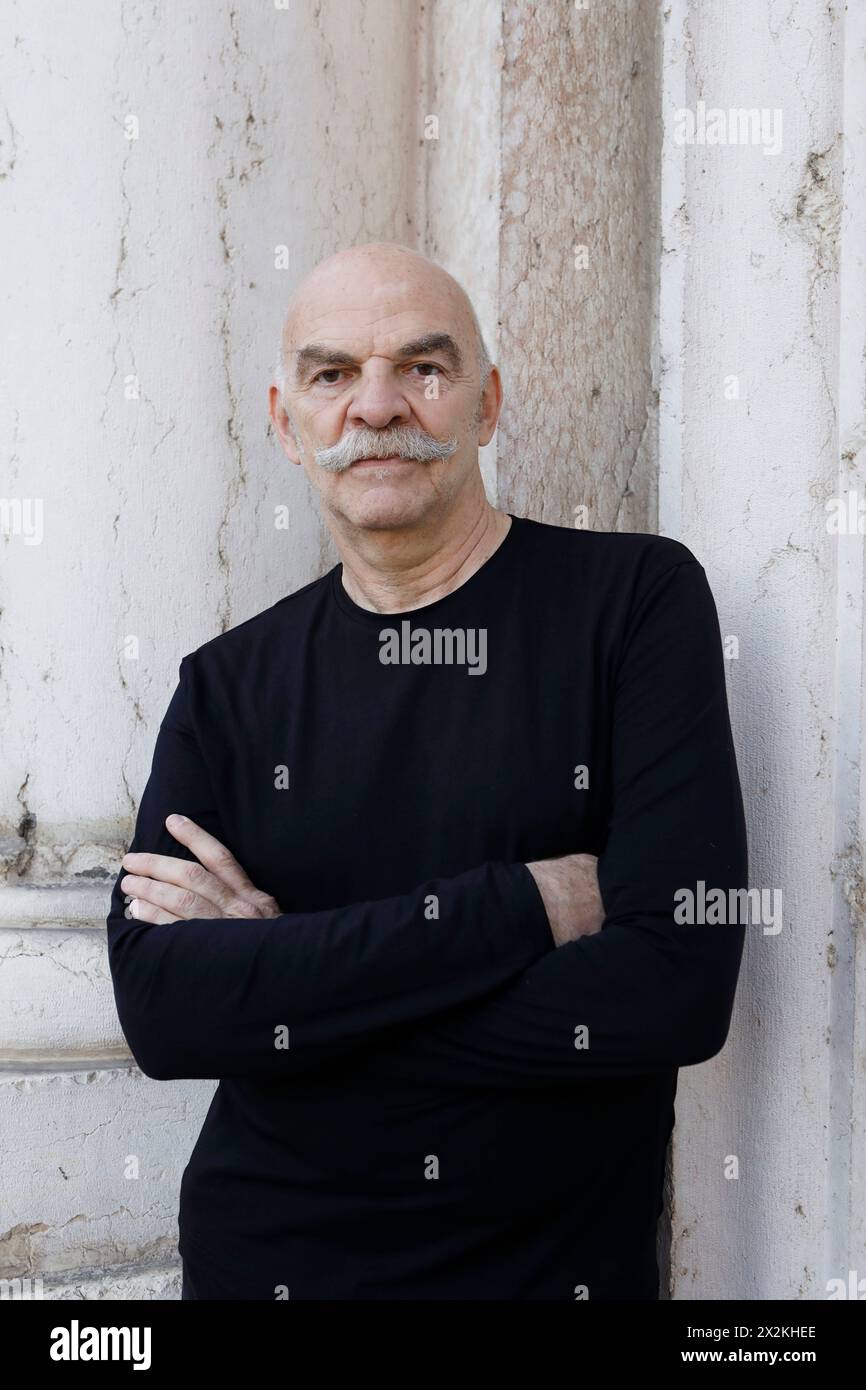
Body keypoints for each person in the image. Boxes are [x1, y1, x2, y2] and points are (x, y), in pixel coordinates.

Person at [106, 241, 748, 1300]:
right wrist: (521, 905)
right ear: (285, 421)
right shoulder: (228, 685)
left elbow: (670, 995)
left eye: (423, 367)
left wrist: (283, 981)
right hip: (265, 1266)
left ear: (485, 404)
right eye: (330, 375)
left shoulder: (632, 605)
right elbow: (167, 1015)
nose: (375, 406)